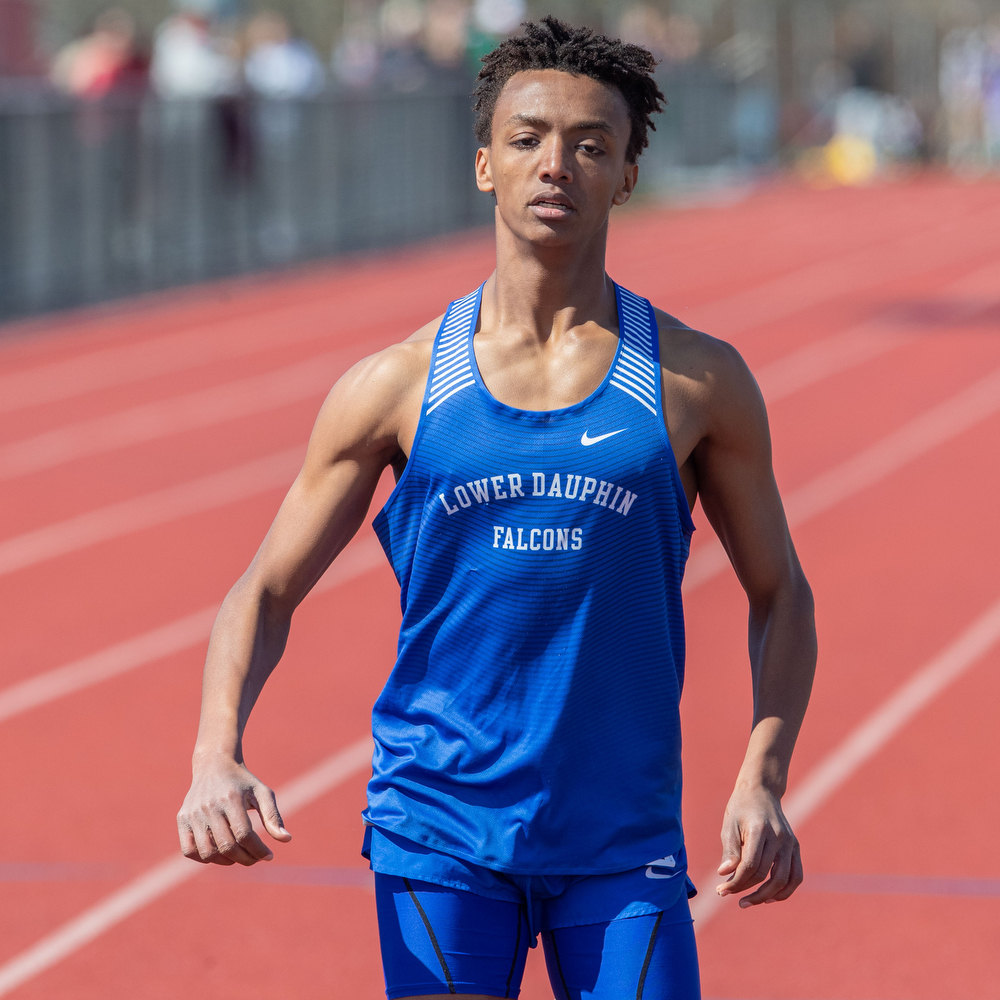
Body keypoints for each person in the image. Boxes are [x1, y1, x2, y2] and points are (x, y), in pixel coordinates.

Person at [177, 16, 816, 999]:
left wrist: (763, 774)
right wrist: (216, 751)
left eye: (589, 144)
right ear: (484, 164)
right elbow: (262, 590)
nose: (554, 163)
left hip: (620, 835)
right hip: (437, 828)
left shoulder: (695, 383)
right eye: (526, 139)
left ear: (627, 175)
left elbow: (780, 592)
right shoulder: (393, 386)